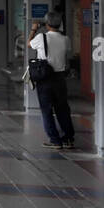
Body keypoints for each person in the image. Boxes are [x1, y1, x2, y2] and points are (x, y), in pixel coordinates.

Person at [29, 12, 75, 150]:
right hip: (60, 78)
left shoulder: (40, 37)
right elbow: (66, 53)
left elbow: (28, 44)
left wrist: (34, 29)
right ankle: (68, 138)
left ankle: (55, 140)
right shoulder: (65, 39)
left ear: (47, 24)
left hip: (45, 78)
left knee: (46, 110)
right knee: (62, 109)